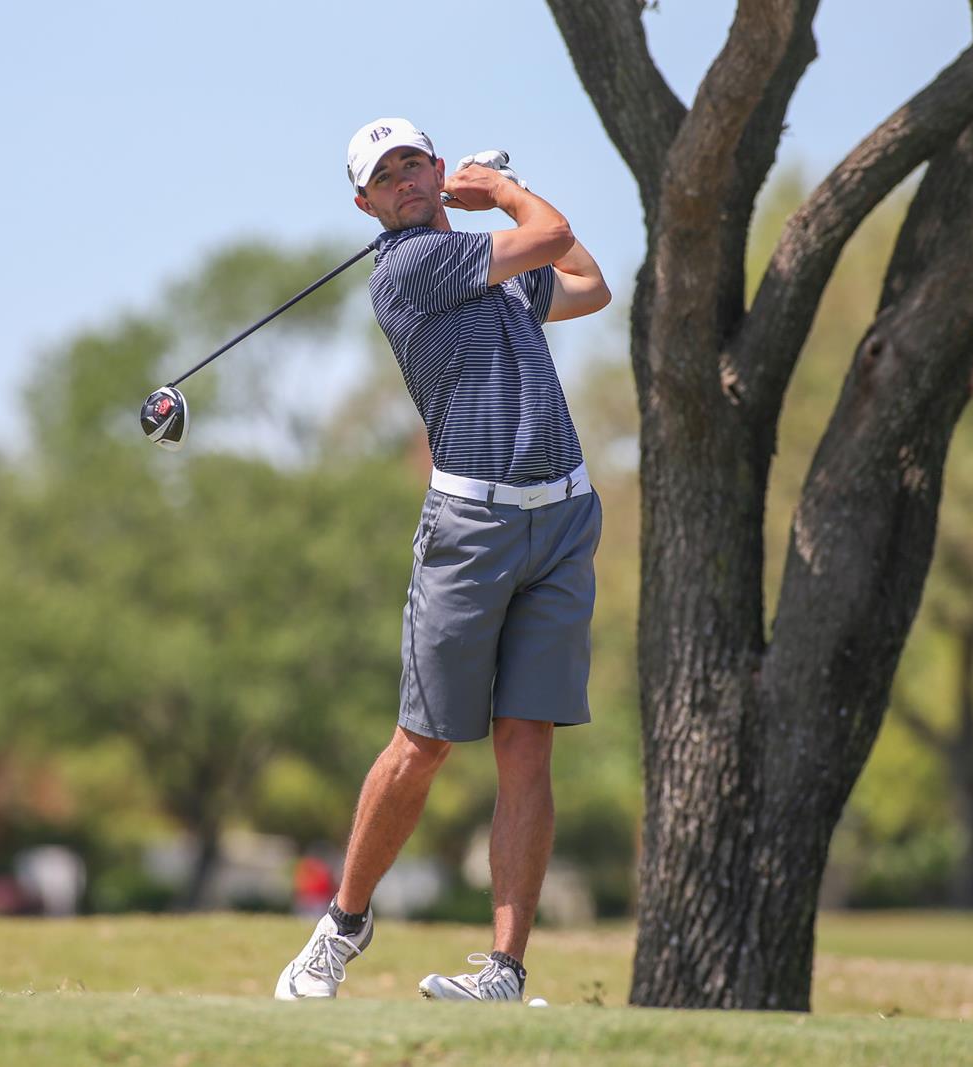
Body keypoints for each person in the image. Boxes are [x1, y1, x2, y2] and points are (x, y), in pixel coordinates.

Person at [275, 118, 610, 1003]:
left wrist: (502, 206)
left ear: (434, 166)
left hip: (563, 517)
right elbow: (550, 235)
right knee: (421, 744)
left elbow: (589, 284)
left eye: (415, 164)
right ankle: (341, 925)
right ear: (368, 205)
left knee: (527, 743)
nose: (407, 182)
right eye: (387, 178)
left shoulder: (496, 281)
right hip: (471, 530)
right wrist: (501, 190)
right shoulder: (411, 268)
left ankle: (504, 971)